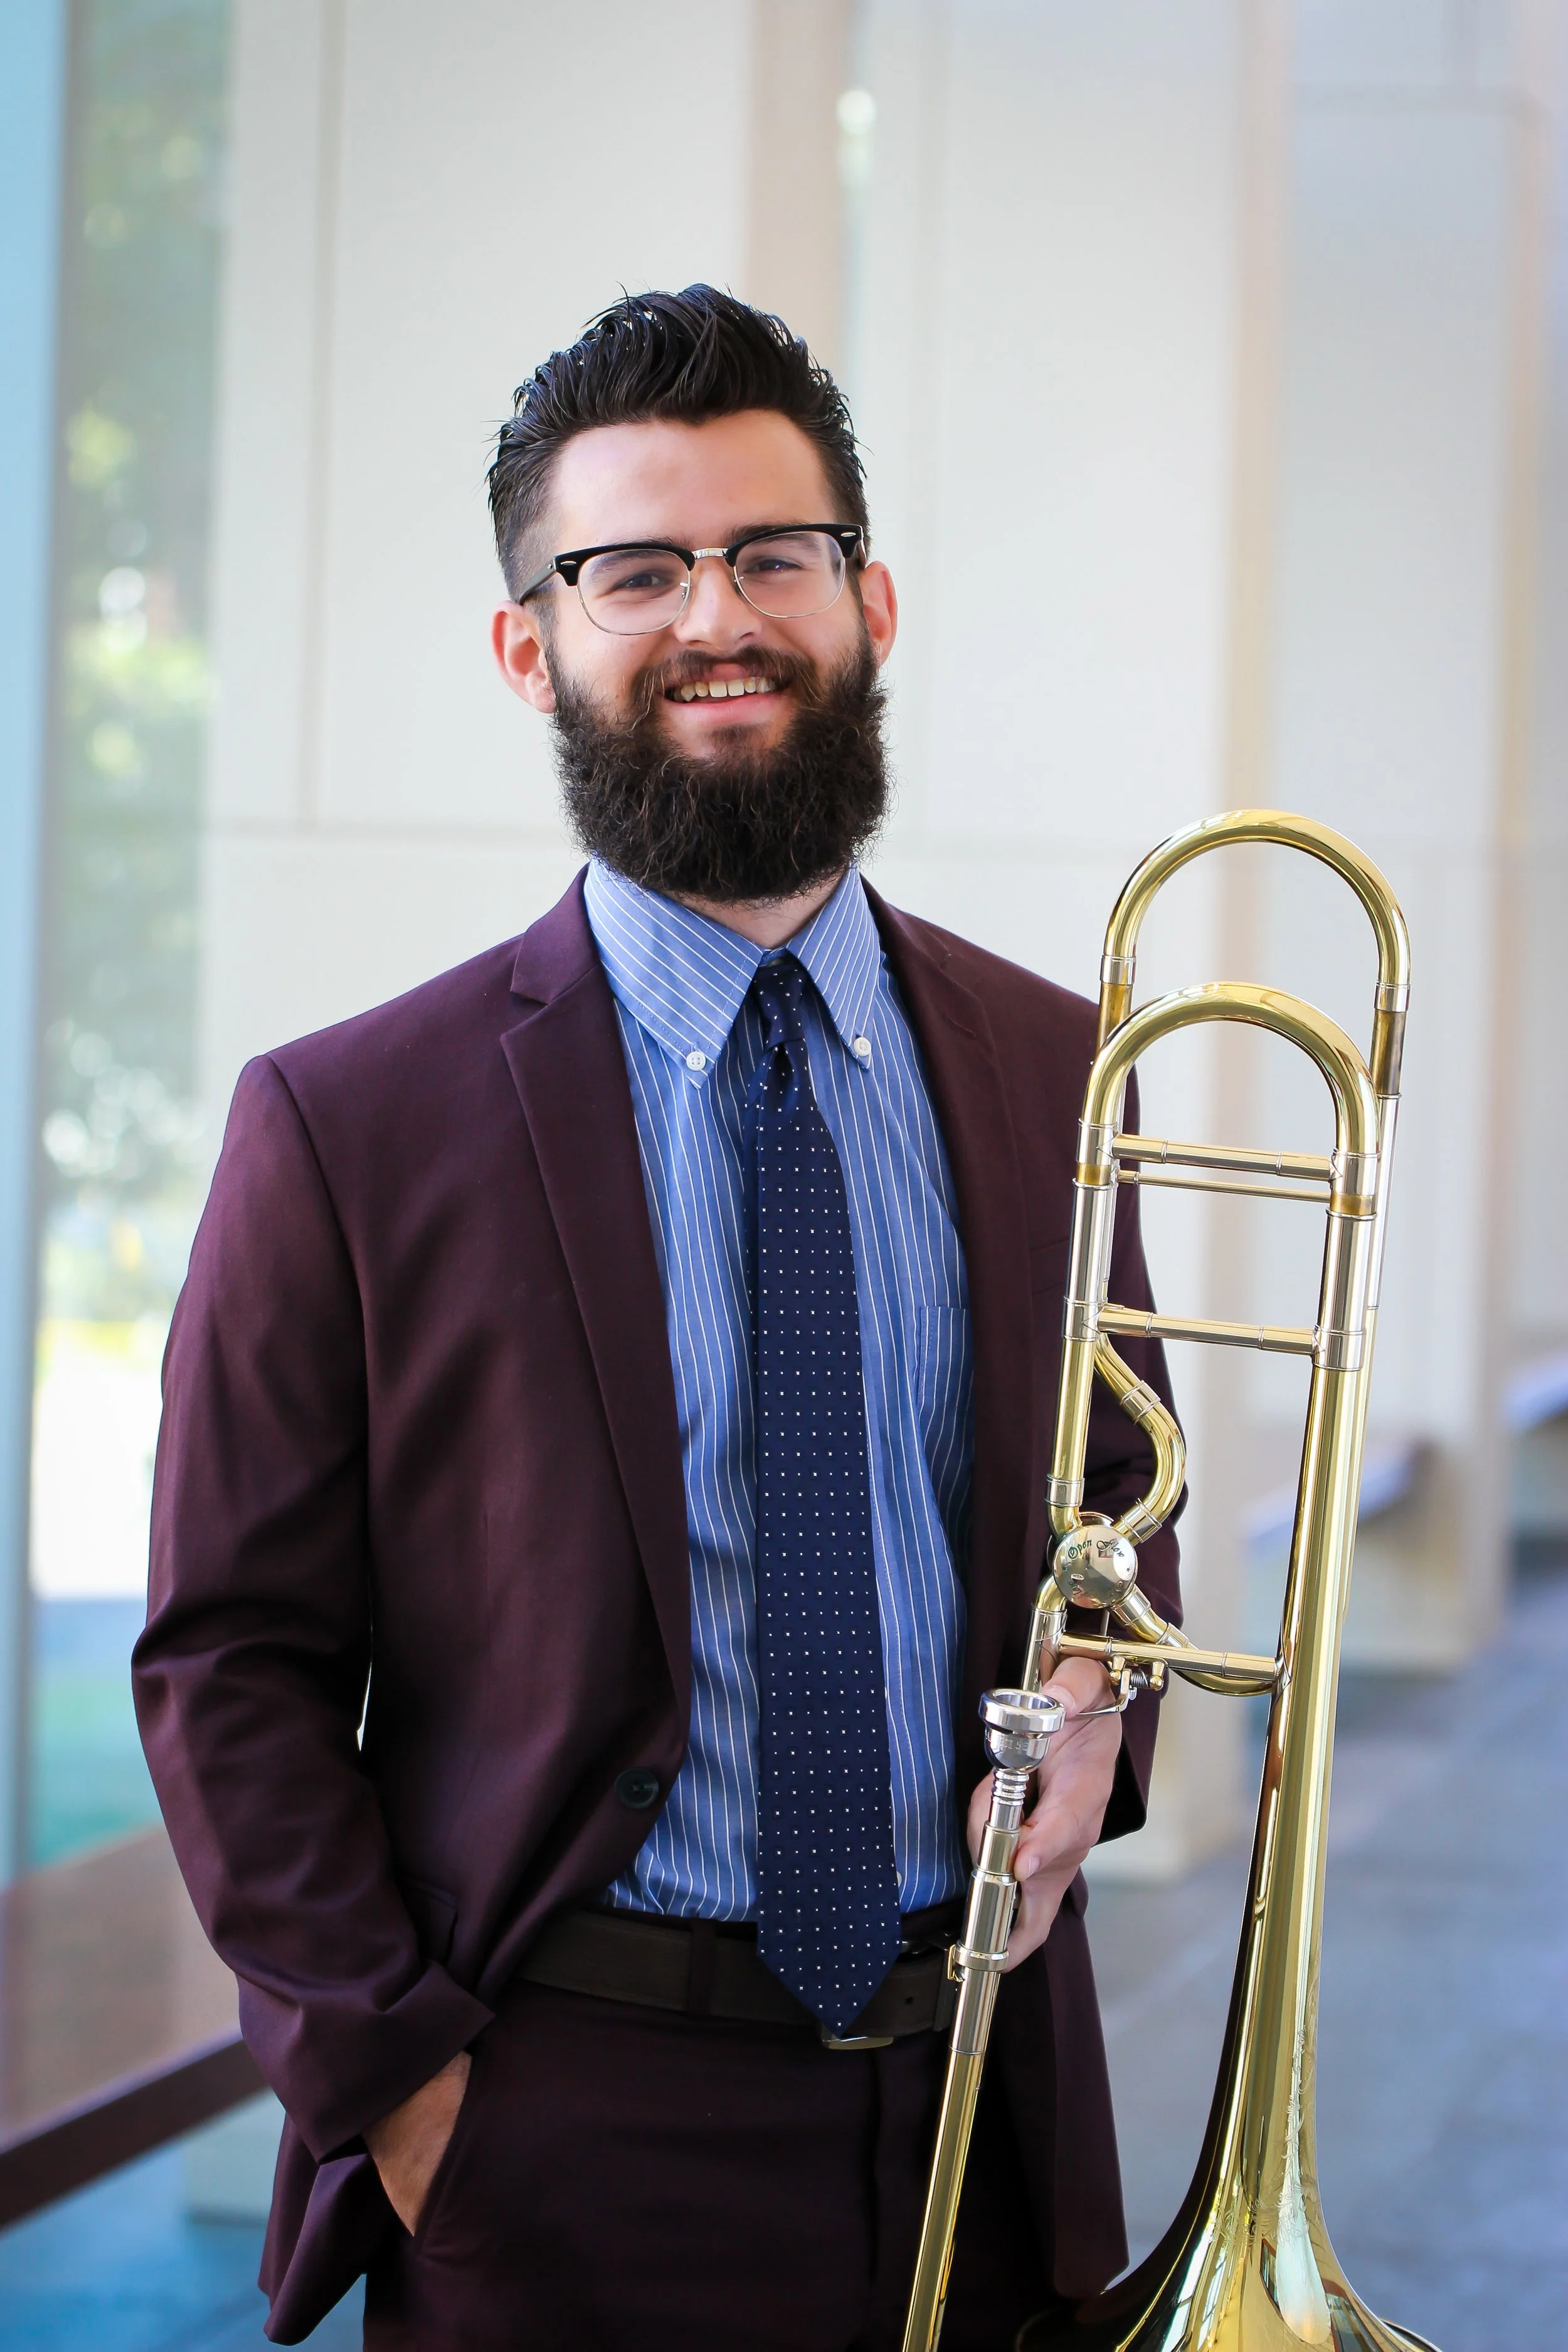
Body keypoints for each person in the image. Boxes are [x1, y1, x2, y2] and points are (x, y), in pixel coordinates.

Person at [134, 285, 1182, 2351]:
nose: (718, 615)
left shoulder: (1064, 1063)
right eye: (634, 568)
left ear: (870, 603)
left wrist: (1095, 1705)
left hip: (982, 2095)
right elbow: (229, 1656)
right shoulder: (345, 1123)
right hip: (556, 2128)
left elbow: (1110, 1511)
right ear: (533, 641)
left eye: (772, 553)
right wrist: (403, 2087)